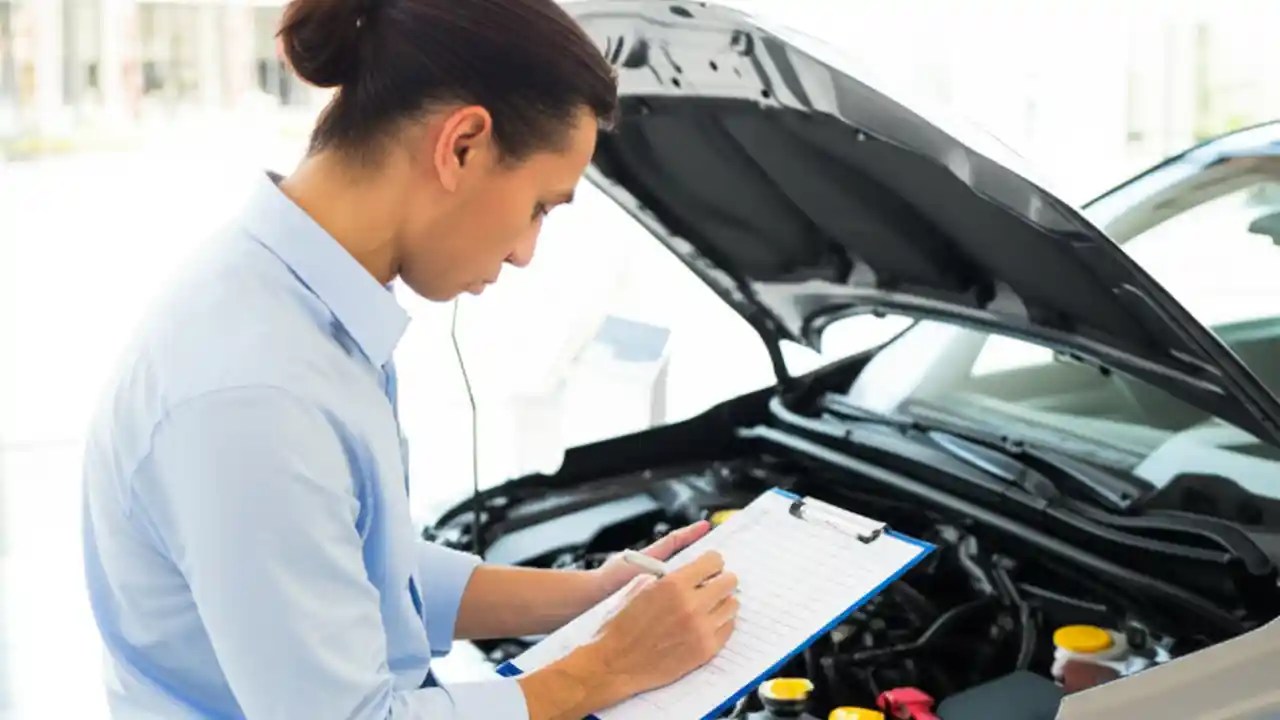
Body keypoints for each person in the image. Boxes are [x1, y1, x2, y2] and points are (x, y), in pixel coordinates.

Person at [79, 0, 740, 718]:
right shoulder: (257, 393)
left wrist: (591, 598)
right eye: (541, 207)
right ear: (463, 145)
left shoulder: (294, 308)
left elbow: (356, 567)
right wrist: (605, 668)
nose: (525, 253)